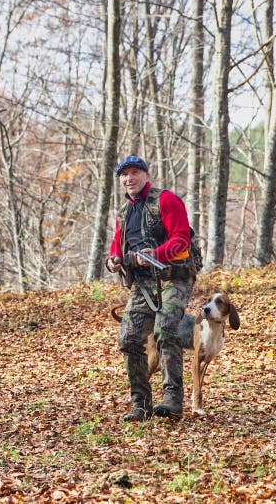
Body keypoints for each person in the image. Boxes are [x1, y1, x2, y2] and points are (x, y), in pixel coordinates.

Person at [105, 155, 195, 422]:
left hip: (173, 277)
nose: (128, 178)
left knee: (166, 330)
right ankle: (141, 405)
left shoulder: (166, 200)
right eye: (124, 175)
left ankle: (172, 400)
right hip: (142, 283)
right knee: (129, 339)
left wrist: (156, 253)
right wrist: (113, 260)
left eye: (134, 172)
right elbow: (117, 242)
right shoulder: (123, 212)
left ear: (145, 175)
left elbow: (182, 239)